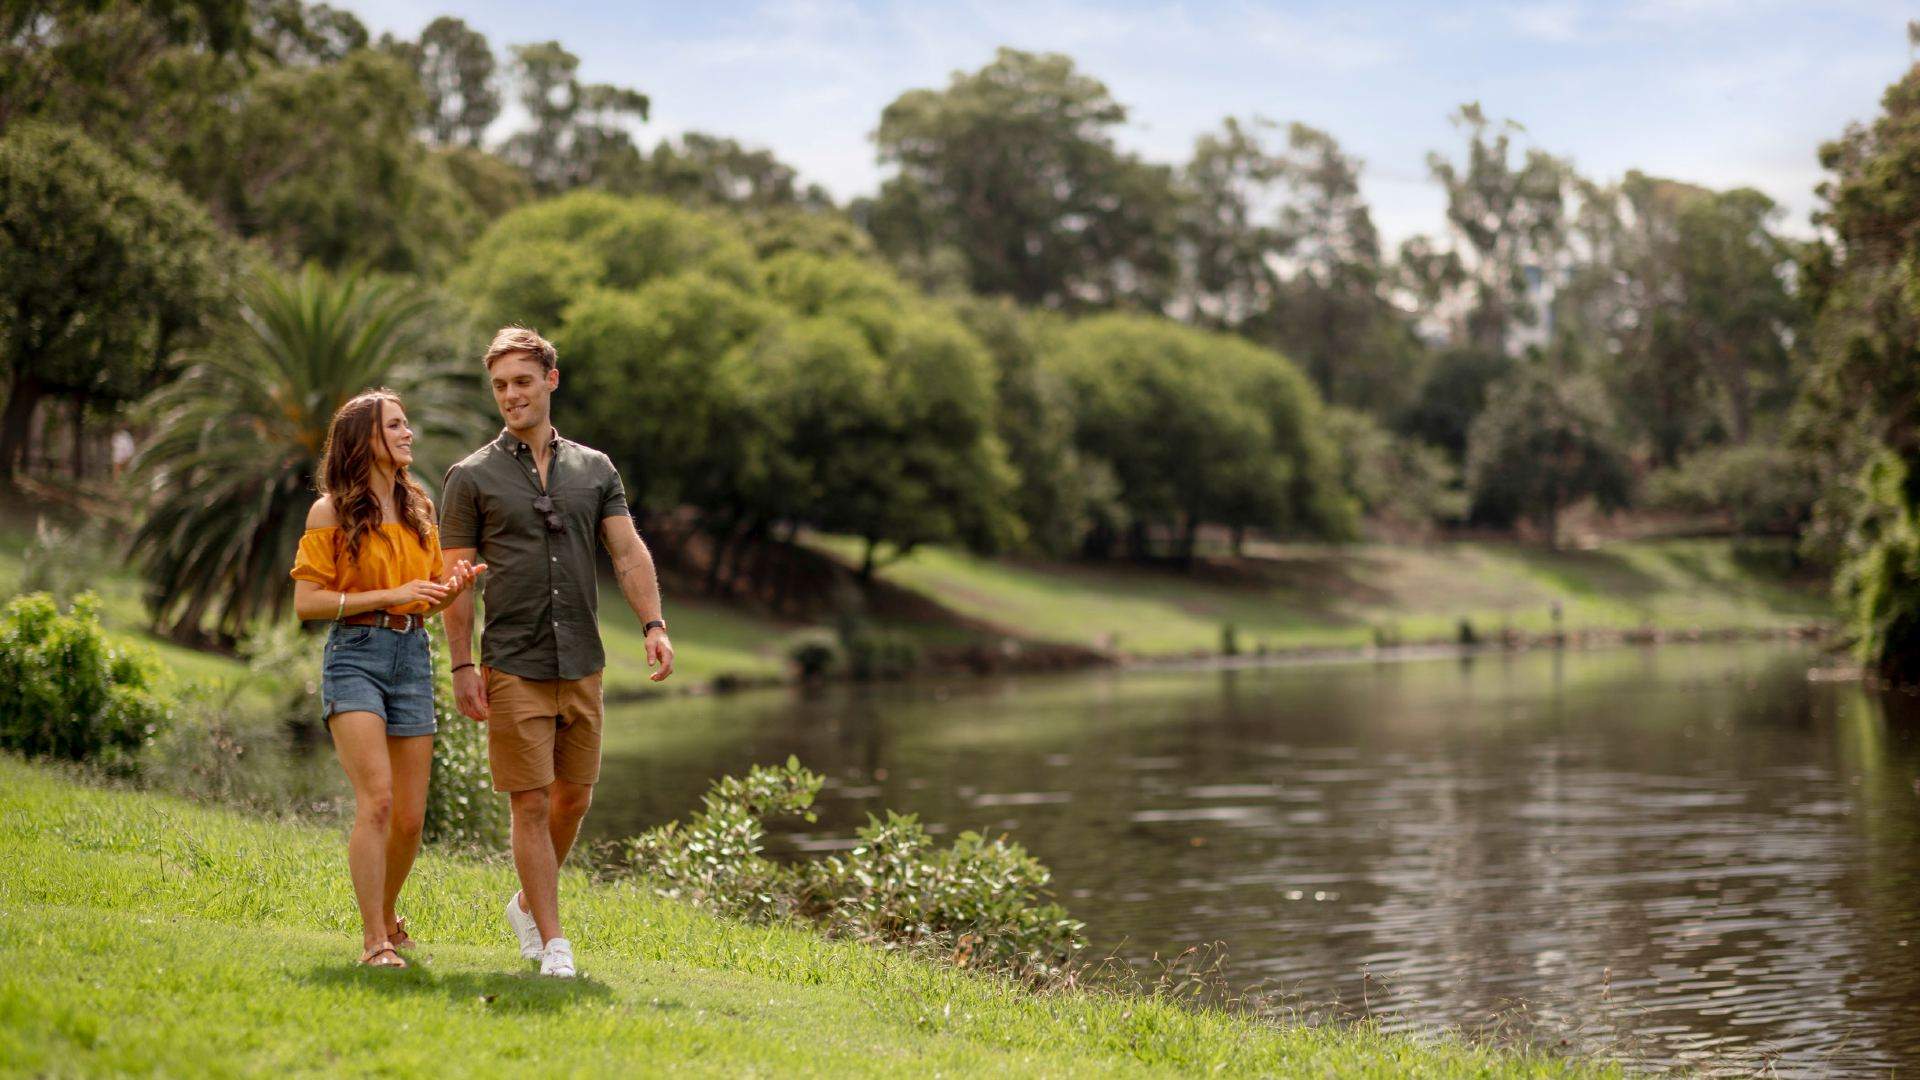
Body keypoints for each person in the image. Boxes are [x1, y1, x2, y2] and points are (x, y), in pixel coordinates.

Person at [439, 326, 675, 979]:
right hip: (512, 659)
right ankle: (554, 942)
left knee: (574, 799)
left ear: (551, 380)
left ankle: (524, 904)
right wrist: (461, 664)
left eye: (522, 381)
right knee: (532, 802)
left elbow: (627, 554)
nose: (511, 395)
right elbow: (455, 583)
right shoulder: (470, 477)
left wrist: (653, 623)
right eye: (500, 386)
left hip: (583, 659)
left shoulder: (595, 469)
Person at [290, 389, 484, 969]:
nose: (408, 434)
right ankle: (374, 941)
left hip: (412, 658)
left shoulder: (421, 507)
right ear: (365, 439)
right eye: (395, 425)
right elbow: (307, 601)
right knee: (376, 802)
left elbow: (420, 596)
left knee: (409, 816)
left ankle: (387, 916)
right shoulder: (330, 512)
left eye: (407, 424)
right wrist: (391, 595)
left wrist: (448, 590)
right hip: (355, 655)